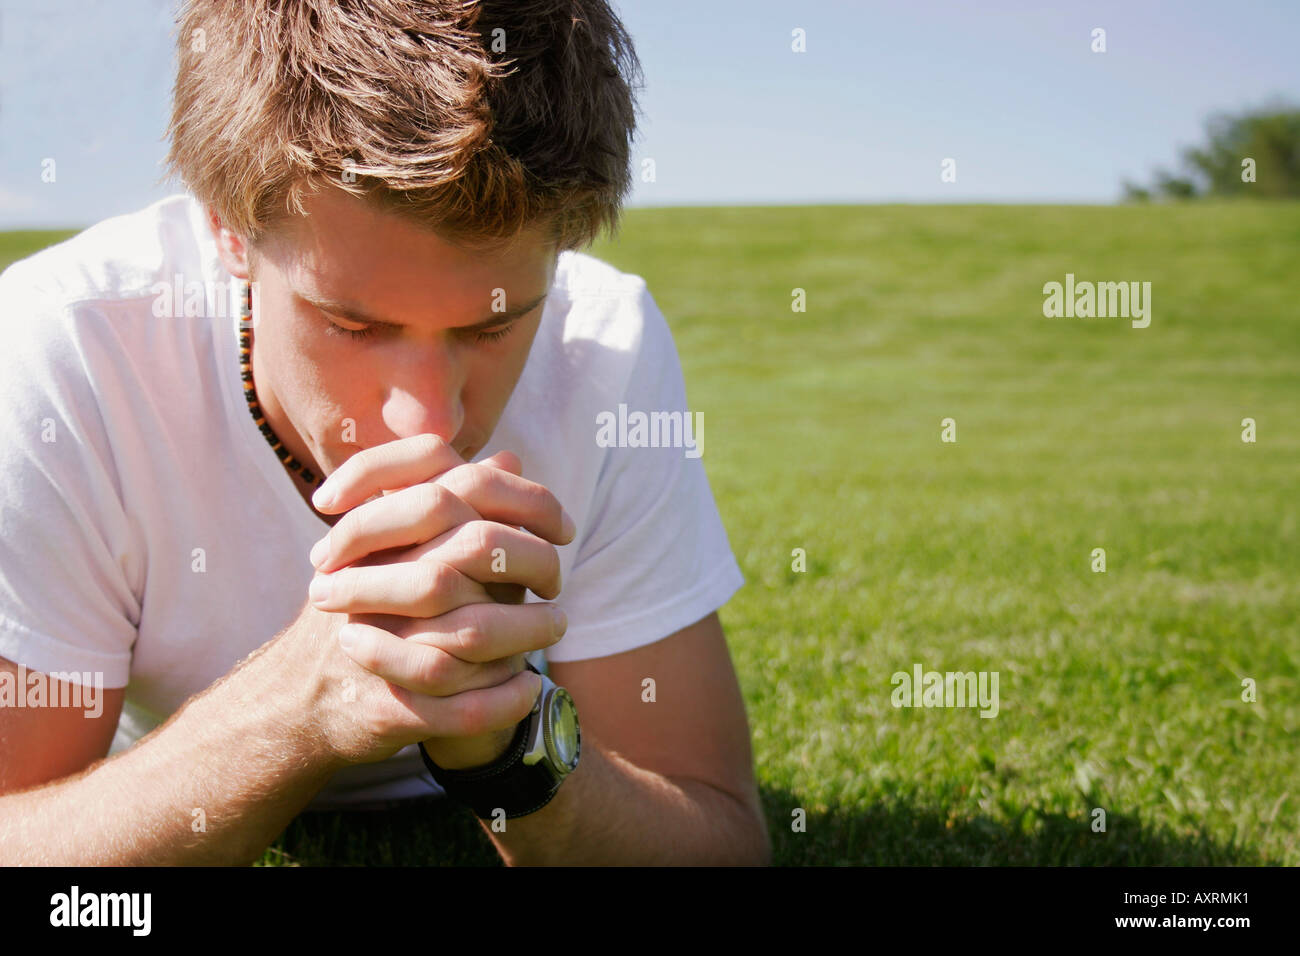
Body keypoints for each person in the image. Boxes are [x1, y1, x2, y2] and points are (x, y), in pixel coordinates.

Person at [0, 0, 769, 866]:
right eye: (353, 325)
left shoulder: (606, 344)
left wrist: (508, 748)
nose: (429, 422)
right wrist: (298, 710)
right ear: (225, 229)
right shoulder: (66, 352)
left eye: (493, 326)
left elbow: (719, 837)